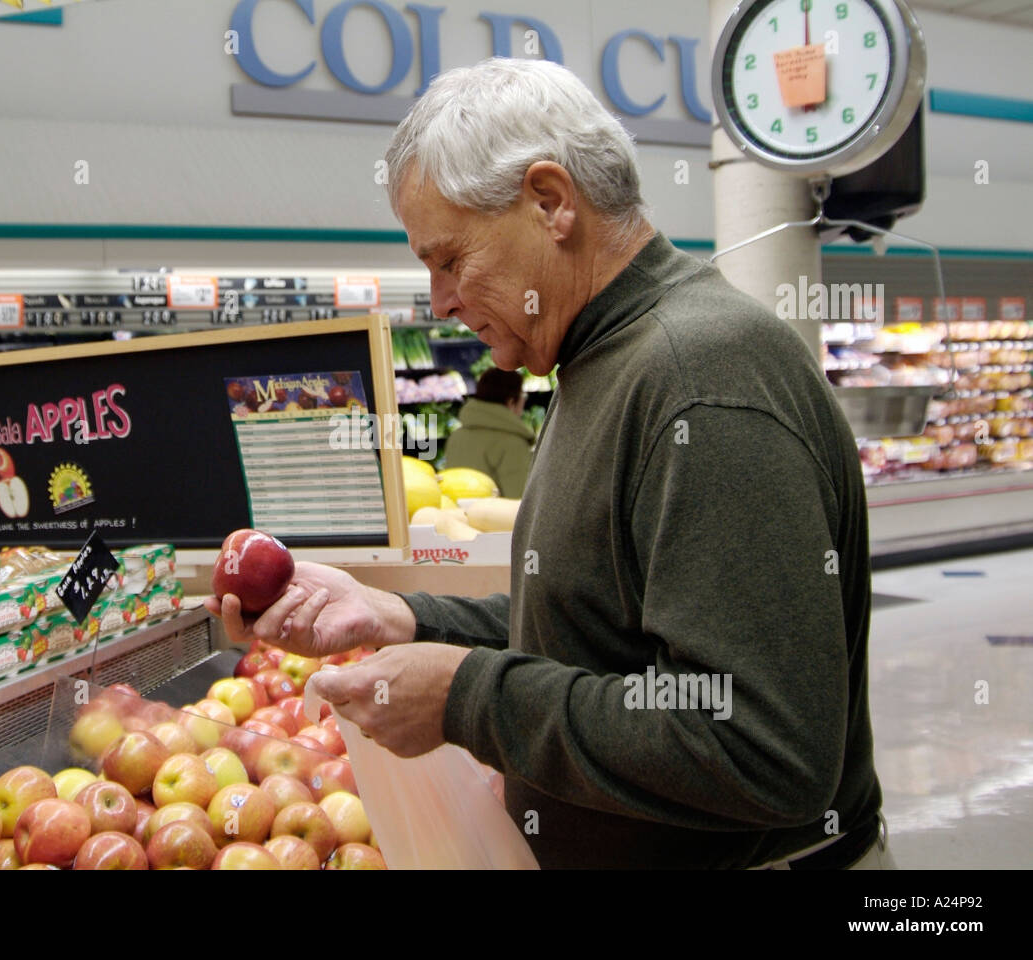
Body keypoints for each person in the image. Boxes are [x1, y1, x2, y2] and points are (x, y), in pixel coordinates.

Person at [207, 58, 893, 869]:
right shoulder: (601, 356)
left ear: (550, 202)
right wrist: (405, 618)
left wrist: (469, 698)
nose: (439, 301)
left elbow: (762, 746)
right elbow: (606, 627)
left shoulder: (699, 376)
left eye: (450, 259)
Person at [442, 368, 535, 497]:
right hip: (495, 517)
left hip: (455, 515)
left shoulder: (456, 437)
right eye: (523, 396)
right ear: (511, 402)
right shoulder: (513, 444)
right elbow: (520, 501)